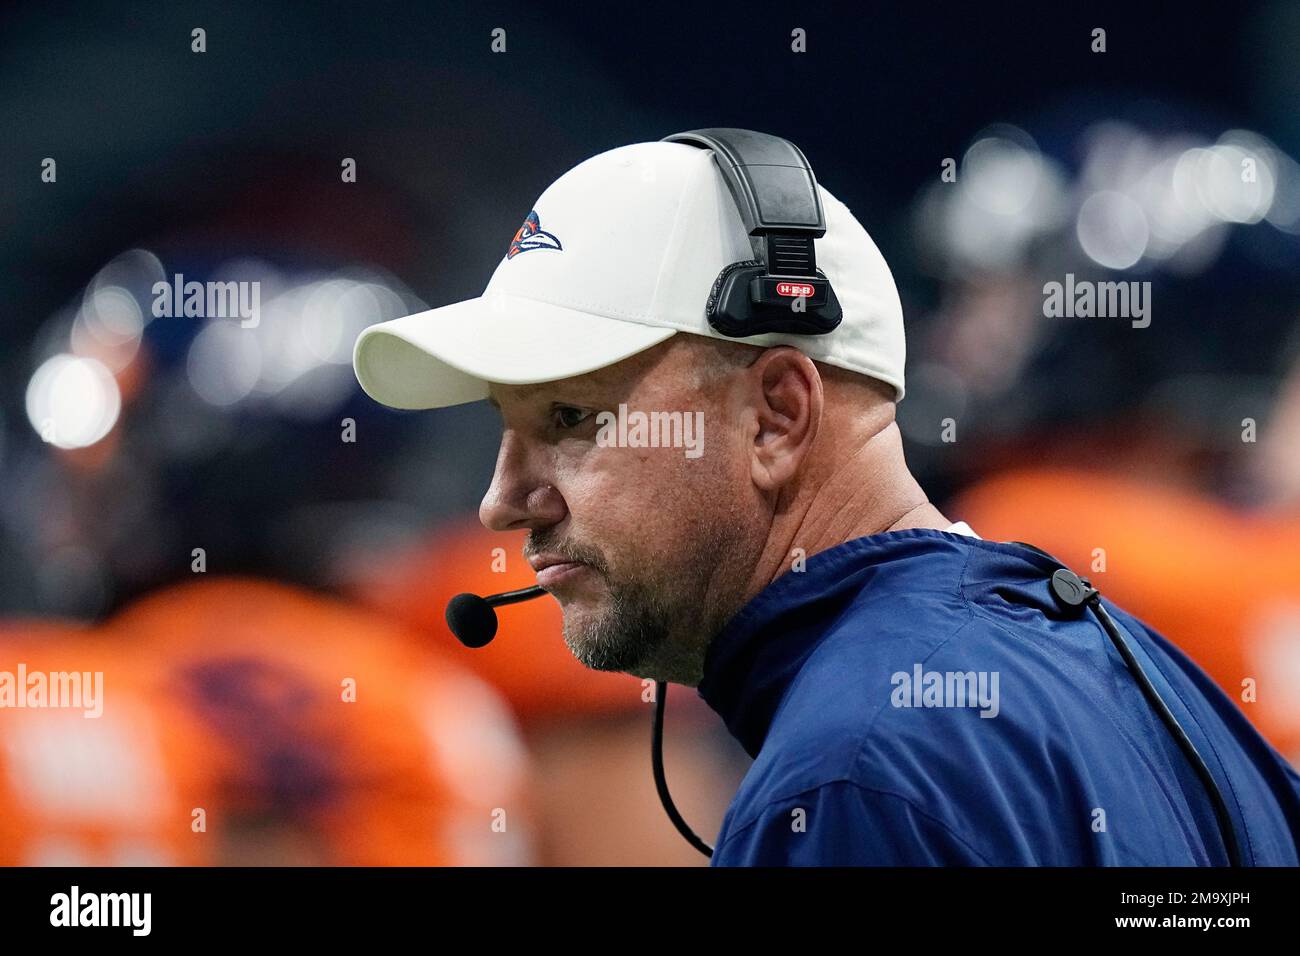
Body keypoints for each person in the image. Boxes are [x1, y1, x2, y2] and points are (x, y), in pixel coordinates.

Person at [351, 132, 1300, 865]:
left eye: (570, 417)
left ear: (776, 415)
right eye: (503, 430)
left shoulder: (856, 772)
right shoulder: (1149, 683)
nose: (503, 501)